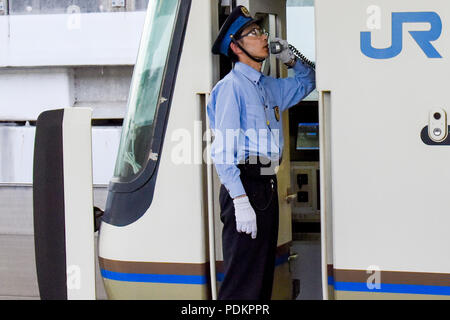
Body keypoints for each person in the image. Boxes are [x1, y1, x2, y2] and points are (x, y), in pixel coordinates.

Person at [207, 5, 316, 300]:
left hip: (266, 185)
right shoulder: (231, 88)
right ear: (235, 46)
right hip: (245, 186)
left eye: (262, 31)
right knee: (242, 282)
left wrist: (291, 58)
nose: (263, 37)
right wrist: (240, 201)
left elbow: (309, 82)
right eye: (253, 33)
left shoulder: (267, 87)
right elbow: (222, 152)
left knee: (261, 277)